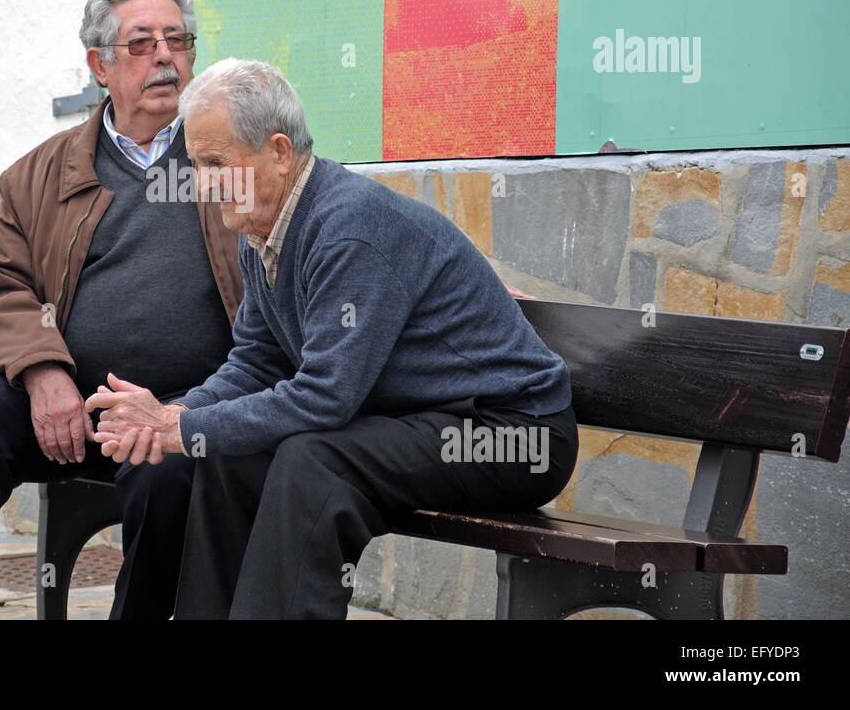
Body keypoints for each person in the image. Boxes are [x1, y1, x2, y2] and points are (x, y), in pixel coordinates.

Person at [88, 58, 578, 619]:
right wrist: (175, 415)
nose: (201, 184)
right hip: (421, 422)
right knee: (230, 460)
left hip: (511, 434)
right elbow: (255, 362)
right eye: (196, 165)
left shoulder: (349, 228)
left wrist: (182, 427)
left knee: (312, 461)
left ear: (278, 152)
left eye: (216, 163)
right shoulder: (261, 230)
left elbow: (325, 397)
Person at [0, 0, 242, 619]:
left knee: (170, 470)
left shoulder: (235, 154)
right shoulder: (44, 171)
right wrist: (43, 372)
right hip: (72, 401)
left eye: (177, 41)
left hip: (185, 406)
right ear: (99, 64)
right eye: (142, 43)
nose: (164, 57)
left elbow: (329, 225)